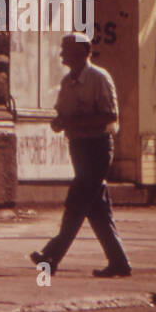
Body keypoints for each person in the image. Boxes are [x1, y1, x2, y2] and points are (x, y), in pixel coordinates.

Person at [30, 32, 131, 278]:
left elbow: (110, 117)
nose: (62, 53)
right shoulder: (67, 82)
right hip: (78, 147)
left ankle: (51, 256)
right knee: (97, 209)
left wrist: (74, 121)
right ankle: (119, 262)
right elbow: (63, 114)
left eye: (67, 49)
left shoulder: (99, 78)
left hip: (98, 147)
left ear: (84, 52)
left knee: (76, 203)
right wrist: (59, 122)